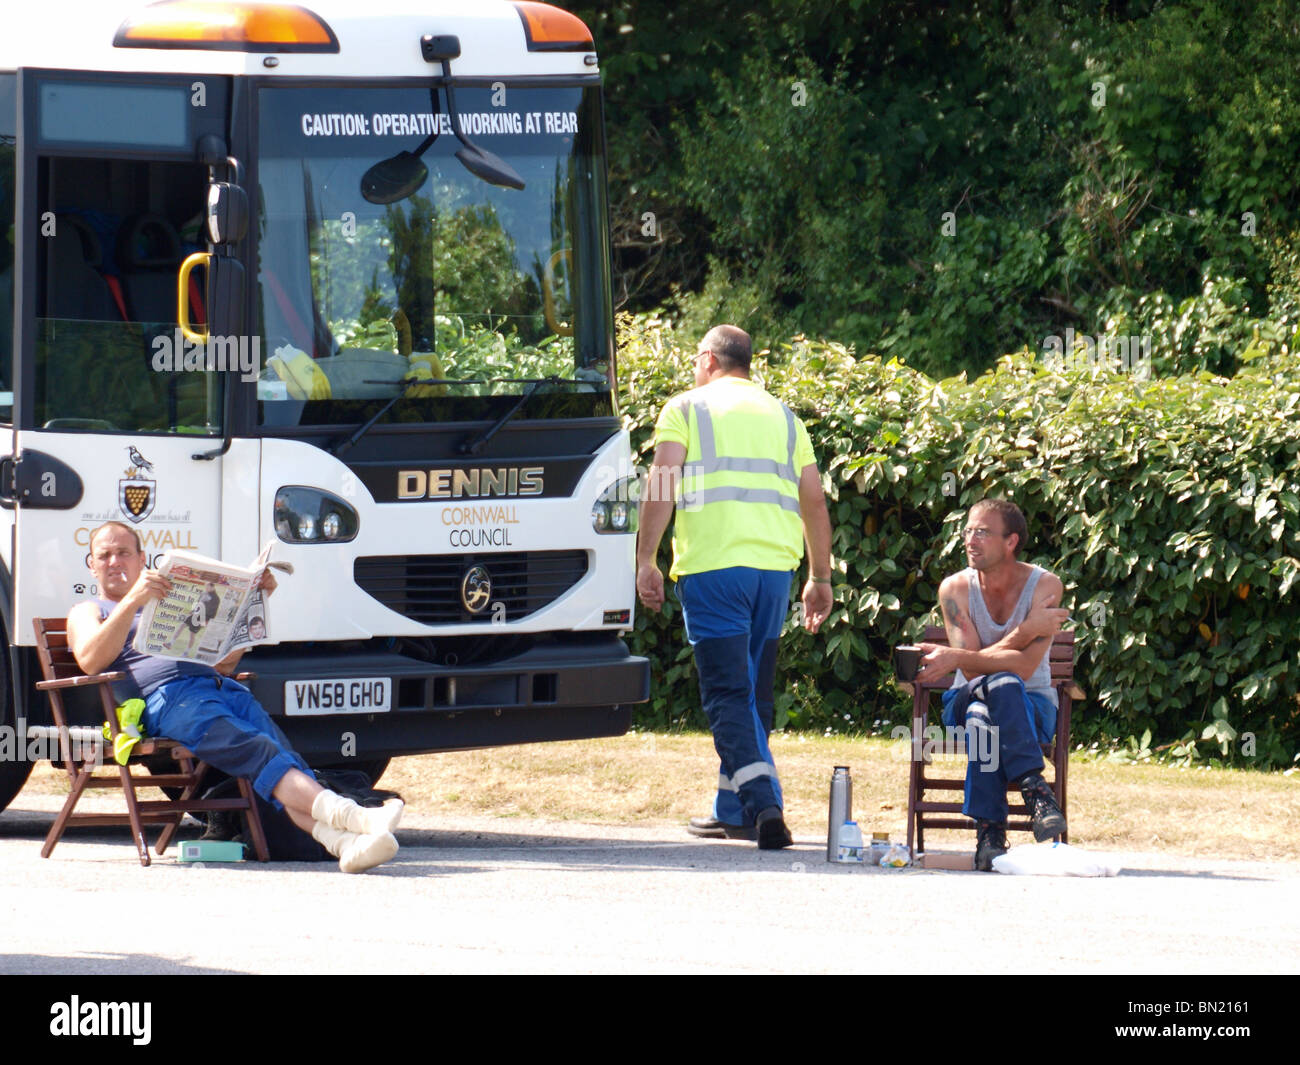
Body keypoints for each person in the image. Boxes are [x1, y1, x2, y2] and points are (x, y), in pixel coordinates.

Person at [68, 521, 403, 873]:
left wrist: (254, 602)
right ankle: (359, 819)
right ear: (92, 564)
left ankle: (344, 843)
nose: (114, 561)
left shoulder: (169, 601)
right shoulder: (90, 611)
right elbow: (91, 660)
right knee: (258, 751)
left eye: (123, 553)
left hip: (217, 687)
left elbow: (224, 662)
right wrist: (133, 600)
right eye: (104, 555)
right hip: (167, 699)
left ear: (141, 559)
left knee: (284, 758)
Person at [636, 325, 833, 849]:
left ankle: (765, 804)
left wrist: (645, 557)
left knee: (726, 692)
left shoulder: (687, 408)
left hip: (715, 569)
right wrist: (820, 577)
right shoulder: (786, 418)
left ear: (707, 360)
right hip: (774, 572)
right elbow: (813, 501)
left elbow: (662, 482)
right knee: (753, 692)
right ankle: (734, 810)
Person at [914, 498, 1071, 871]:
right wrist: (1027, 630)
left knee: (988, 711)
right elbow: (971, 675)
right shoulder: (954, 589)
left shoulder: (1045, 586)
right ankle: (1034, 787)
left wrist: (956, 657)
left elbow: (1024, 665)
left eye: (982, 532)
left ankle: (990, 836)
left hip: (1030, 706)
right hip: (962, 699)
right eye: (968, 530)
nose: (971, 539)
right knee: (990, 690)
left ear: (1011, 541)